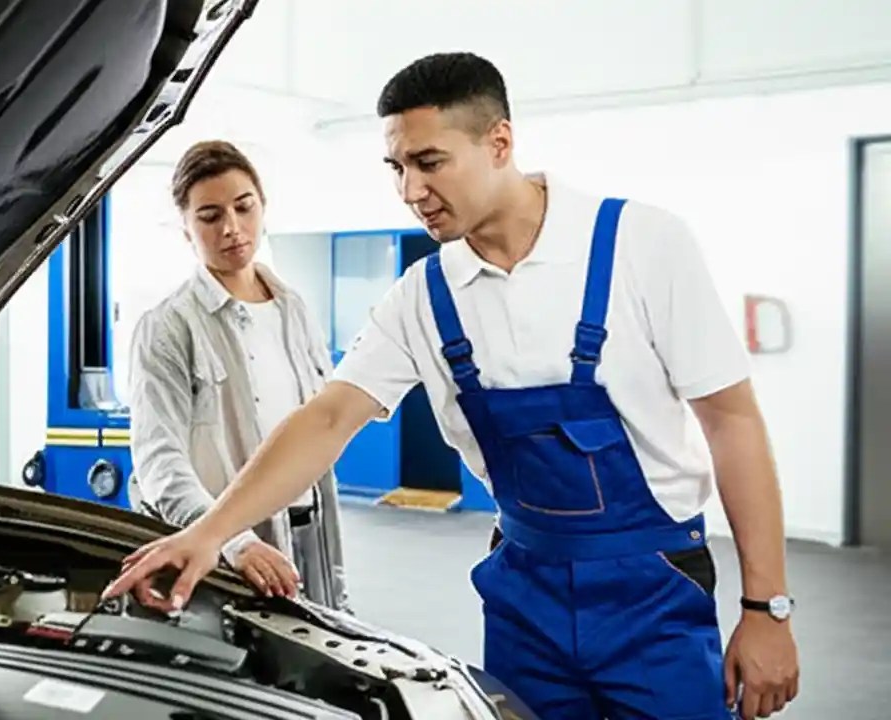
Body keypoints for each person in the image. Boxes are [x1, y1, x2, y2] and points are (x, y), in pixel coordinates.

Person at [105, 54, 800, 718]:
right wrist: (210, 533)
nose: (411, 191)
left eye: (430, 163)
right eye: (397, 167)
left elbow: (731, 421)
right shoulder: (424, 295)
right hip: (523, 598)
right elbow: (328, 418)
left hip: (654, 588)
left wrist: (766, 608)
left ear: (499, 142)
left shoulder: (641, 246)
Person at [123, 139, 351, 612]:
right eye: (209, 216)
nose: (232, 228)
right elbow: (160, 465)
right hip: (229, 554)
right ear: (186, 229)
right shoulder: (168, 327)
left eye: (243, 207)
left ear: (262, 206)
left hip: (310, 531)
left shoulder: (294, 309)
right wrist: (232, 541)